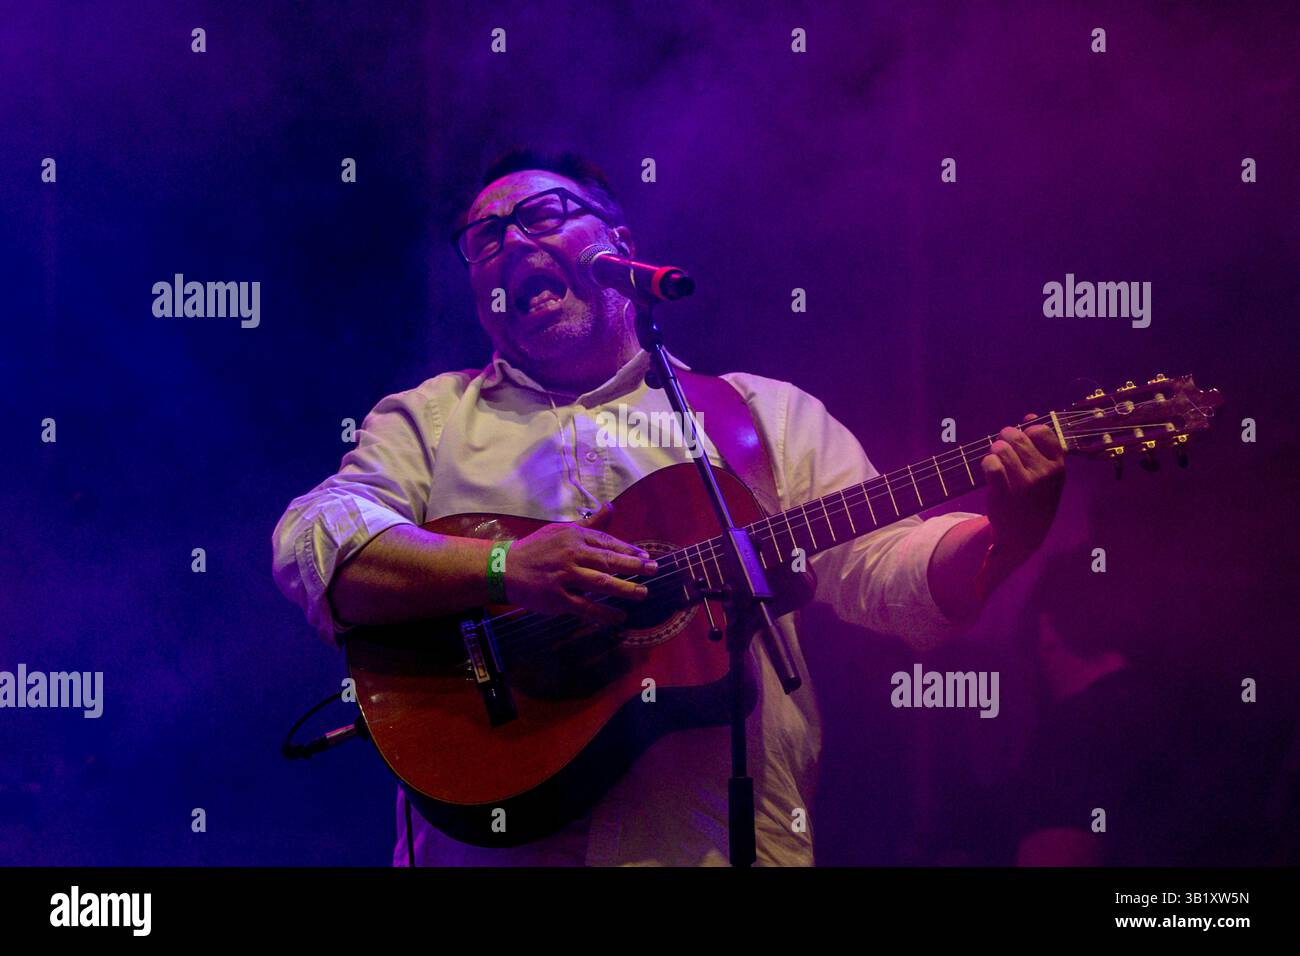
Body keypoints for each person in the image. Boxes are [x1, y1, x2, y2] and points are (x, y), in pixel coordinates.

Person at [271, 147, 1066, 866]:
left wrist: (1009, 534)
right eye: (484, 238)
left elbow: (884, 573)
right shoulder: (430, 419)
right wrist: (504, 567)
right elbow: (314, 543)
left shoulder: (761, 416)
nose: (510, 242)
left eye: (541, 215)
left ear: (618, 242)